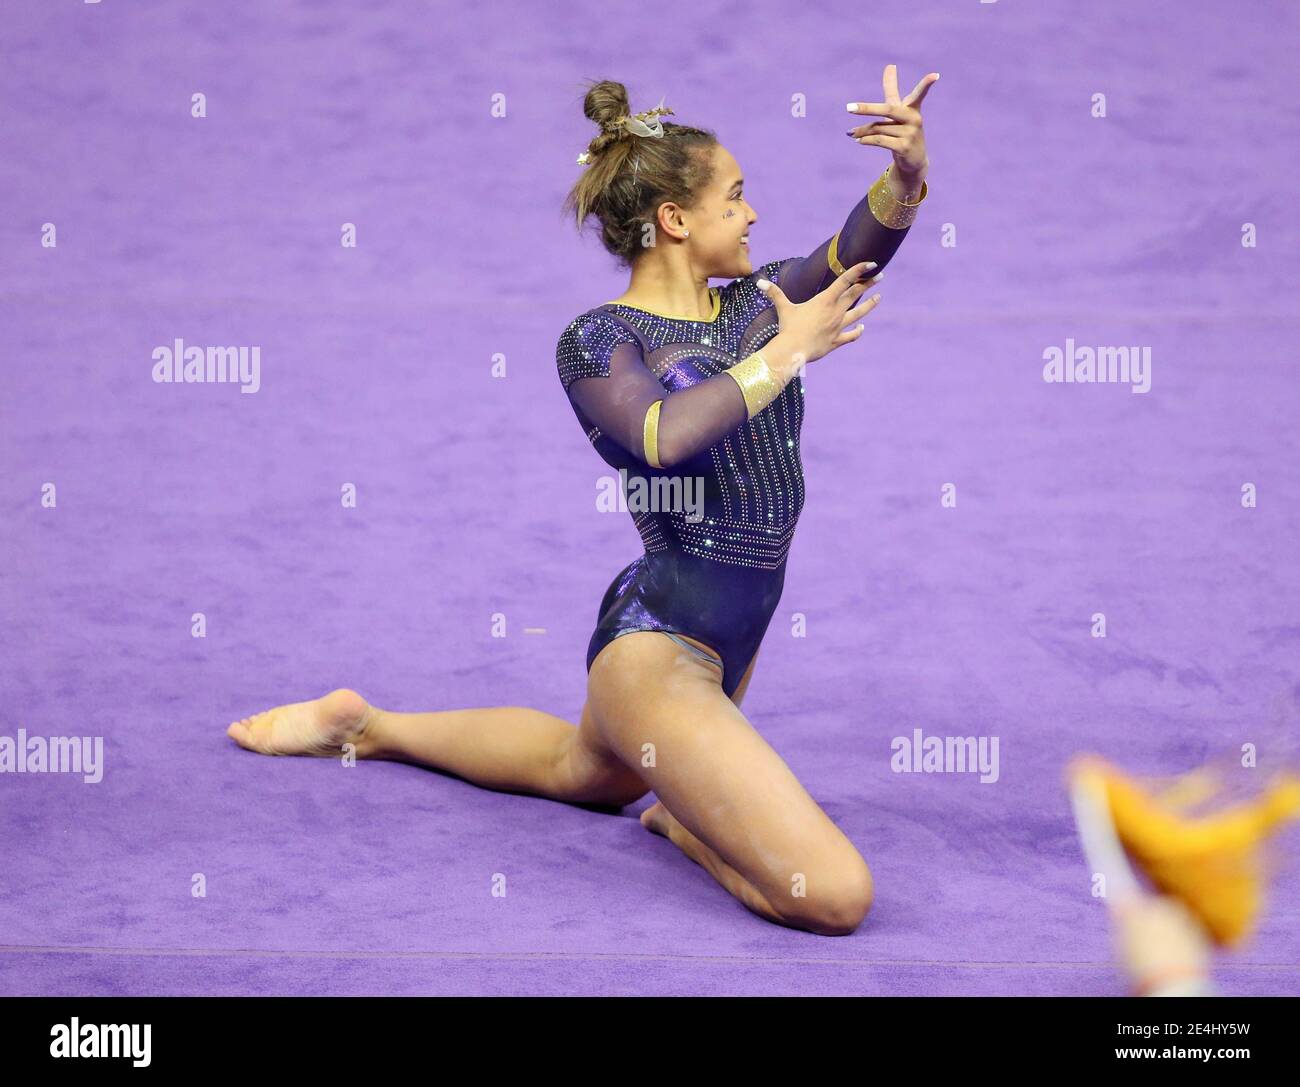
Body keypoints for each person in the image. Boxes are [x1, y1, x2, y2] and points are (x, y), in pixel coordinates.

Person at [226, 65, 937, 937]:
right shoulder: (601, 338)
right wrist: (784, 358)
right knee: (833, 896)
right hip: (661, 650)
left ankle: (367, 726)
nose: (753, 215)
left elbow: (856, 248)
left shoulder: (759, 305)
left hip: (732, 631)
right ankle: (686, 824)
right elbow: (659, 436)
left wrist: (906, 179)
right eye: (737, 198)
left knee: (583, 770)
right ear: (675, 220)